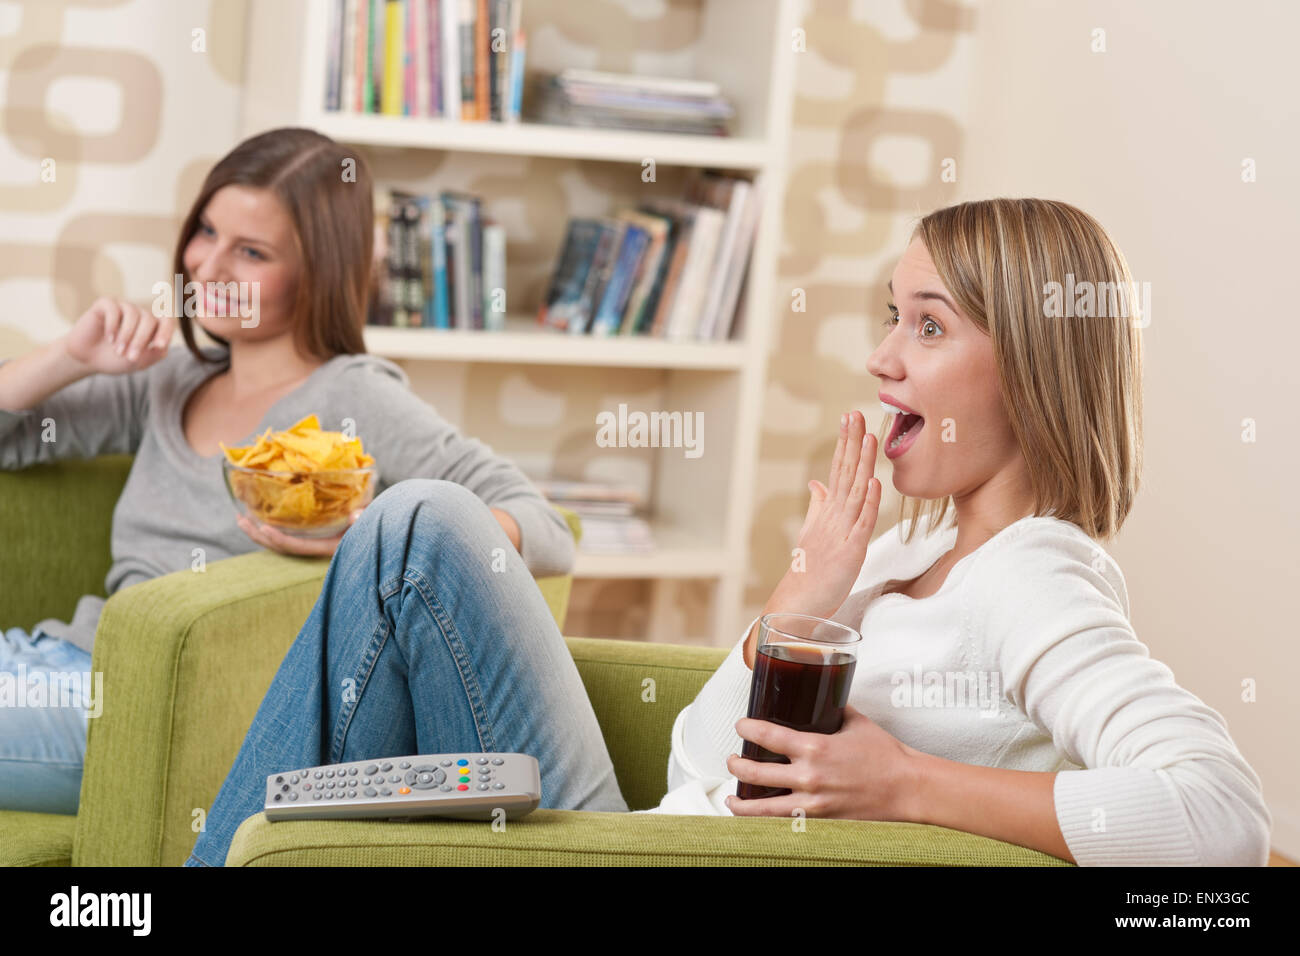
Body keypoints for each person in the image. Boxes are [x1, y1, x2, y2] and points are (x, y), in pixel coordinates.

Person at [185, 197, 1269, 867]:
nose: (884, 356)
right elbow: (694, 761)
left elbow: (1218, 812)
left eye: (928, 325)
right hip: (659, 830)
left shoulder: (1031, 573)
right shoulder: (903, 554)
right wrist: (802, 594)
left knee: (424, 525)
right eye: (890, 314)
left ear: (1033, 373)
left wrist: (904, 784)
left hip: (659, 858)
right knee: (404, 550)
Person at [0, 127, 587, 816]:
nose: (208, 267)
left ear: (318, 271)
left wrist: (377, 541)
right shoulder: (167, 380)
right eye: (207, 232)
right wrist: (71, 355)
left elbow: (547, 528)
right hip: (50, 660)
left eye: (251, 251)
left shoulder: (356, 396)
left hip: (149, 712)